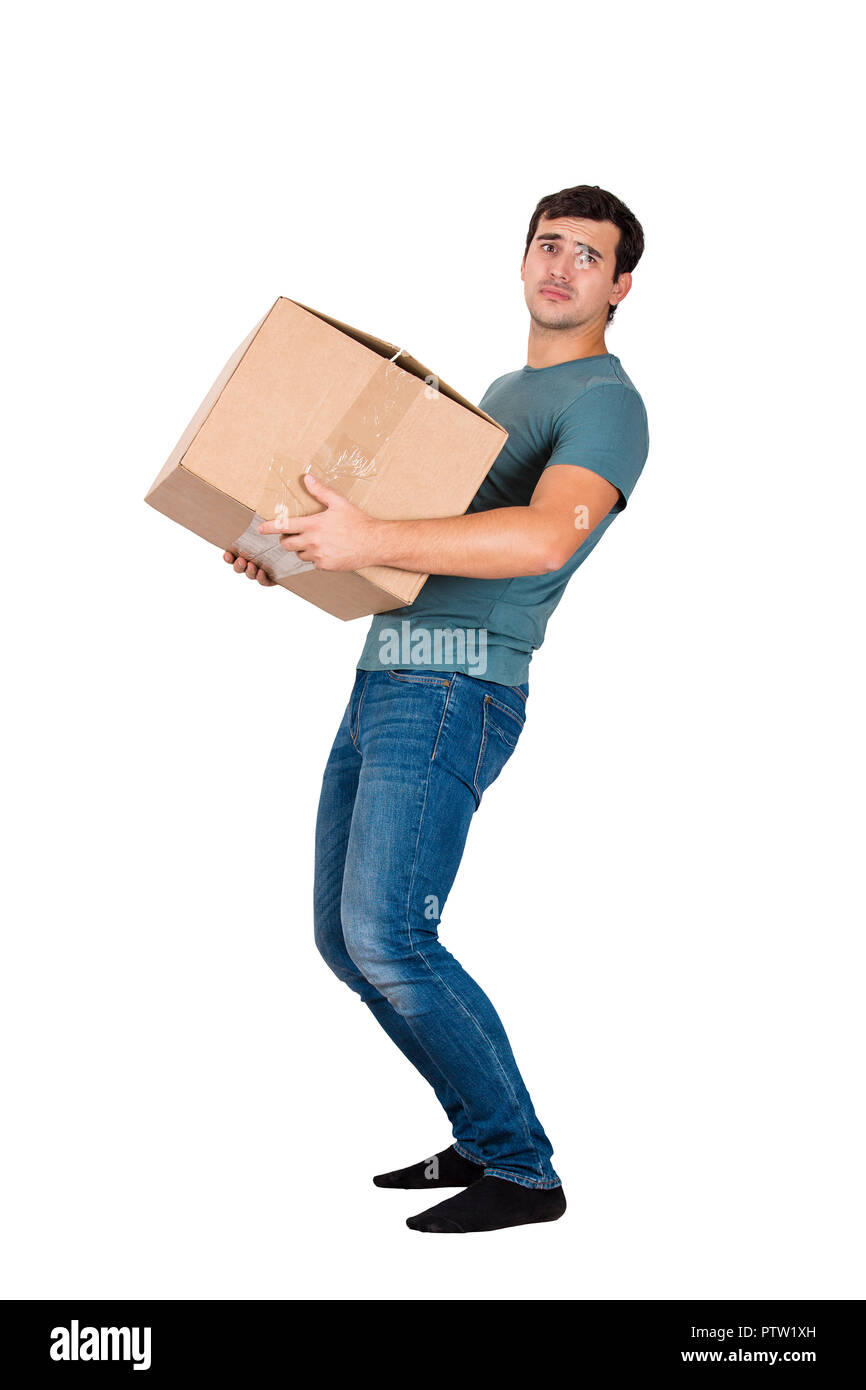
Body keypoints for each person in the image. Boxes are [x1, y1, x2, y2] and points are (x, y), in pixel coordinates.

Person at [224, 184, 649, 1233]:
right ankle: (480, 1127)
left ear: (620, 285)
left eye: (585, 256)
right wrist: (294, 555)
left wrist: (369, 540)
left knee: (388, 930)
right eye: (545, 245)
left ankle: (521, 1169)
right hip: (392, 667)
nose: (559, 266)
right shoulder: (499, 391)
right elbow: (406, 546)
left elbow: (546, 538)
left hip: (459, 679)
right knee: (344, 934)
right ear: (520, 262)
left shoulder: (604, 402)